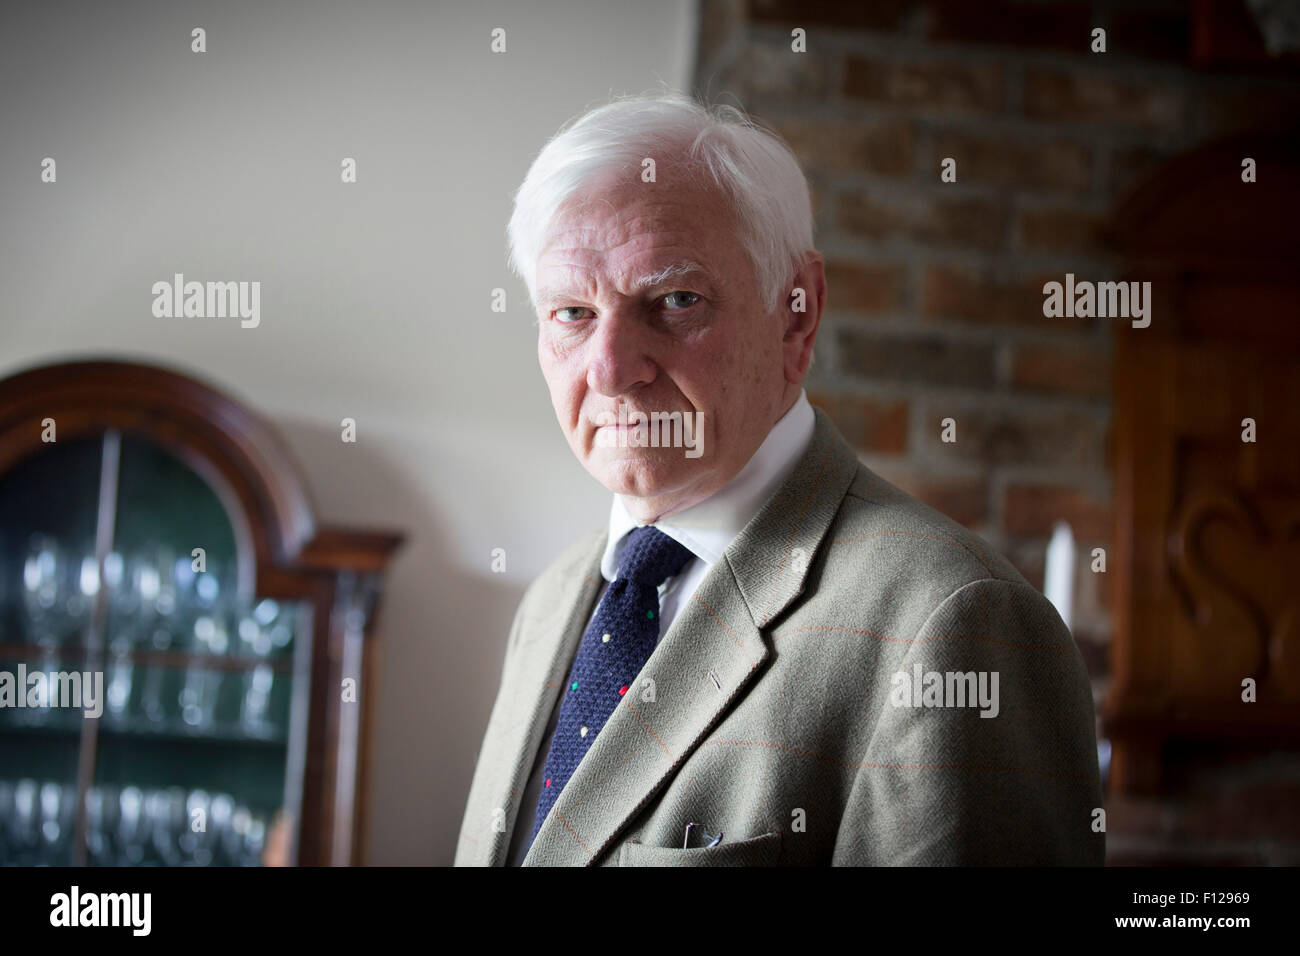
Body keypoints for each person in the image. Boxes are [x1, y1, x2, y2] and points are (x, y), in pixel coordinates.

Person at [454, 92, 1103, 866]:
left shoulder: (956, 623)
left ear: (797, 313)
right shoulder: (553, 600)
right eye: (571, 313)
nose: (612, 369)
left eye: (675, 300)